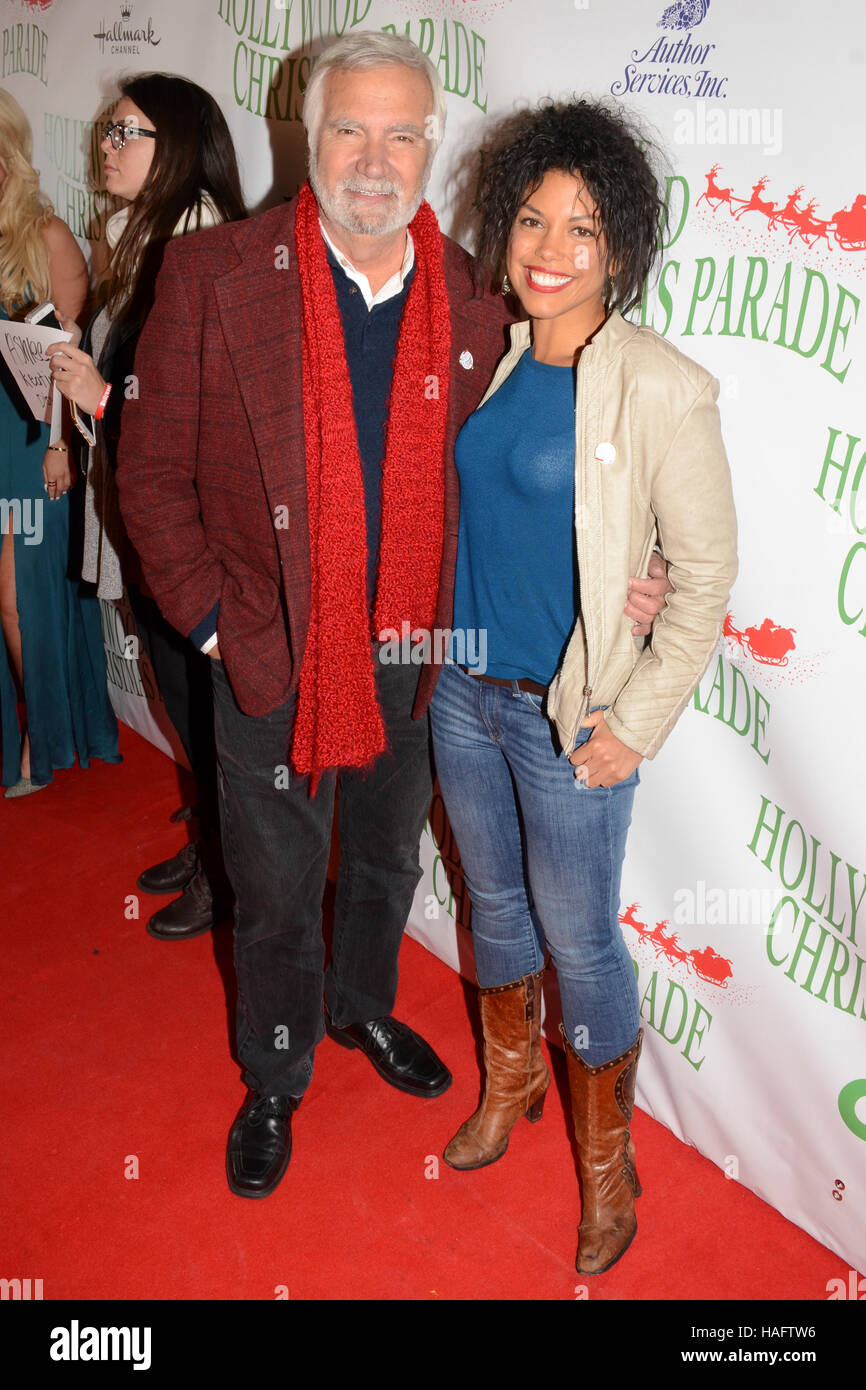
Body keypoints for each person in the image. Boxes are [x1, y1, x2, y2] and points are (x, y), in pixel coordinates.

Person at [114, 34, 669, 1200]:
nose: (376, 159)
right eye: (349, 130)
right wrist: (215, 624)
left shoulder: (478, 290)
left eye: (402, 132)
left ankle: (360, 1008)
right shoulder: (215, 273)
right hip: (267, 647)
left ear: (433, 143)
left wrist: (628, 569)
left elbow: (542, 461)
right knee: (271, 883)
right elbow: (149, 472)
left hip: (420, 652)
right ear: (304, 138)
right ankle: (273, 1071)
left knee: (380, 859)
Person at [428, 99, 738, 1275]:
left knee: (579, 938)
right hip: (462, 689)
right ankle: (509, 1087)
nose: (550, 246)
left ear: (621, 249)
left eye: (583, 227)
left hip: (569, 723)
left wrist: (637, 721)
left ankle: (607, 1166)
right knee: (491, 912)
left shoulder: (660, 384)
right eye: (532, 219)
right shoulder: (503, 354)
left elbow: (703, 574)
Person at [48, 74, 246, 937]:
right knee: (181, 692)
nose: (106, 145)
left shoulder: (197, 233)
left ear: (177, 143)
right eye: (107, 130)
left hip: (192, 531)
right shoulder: (139, 232)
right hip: (148, 514)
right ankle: (211, 844)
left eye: (126, 131)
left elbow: (202, 411)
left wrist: (98, 400)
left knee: (204, 705)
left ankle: (229, 876)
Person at [0, 88, 119, 798]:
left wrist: (59, 447)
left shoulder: (46, 236)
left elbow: (67, 357)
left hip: (30, 435)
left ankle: (43, 738)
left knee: (20, 598)